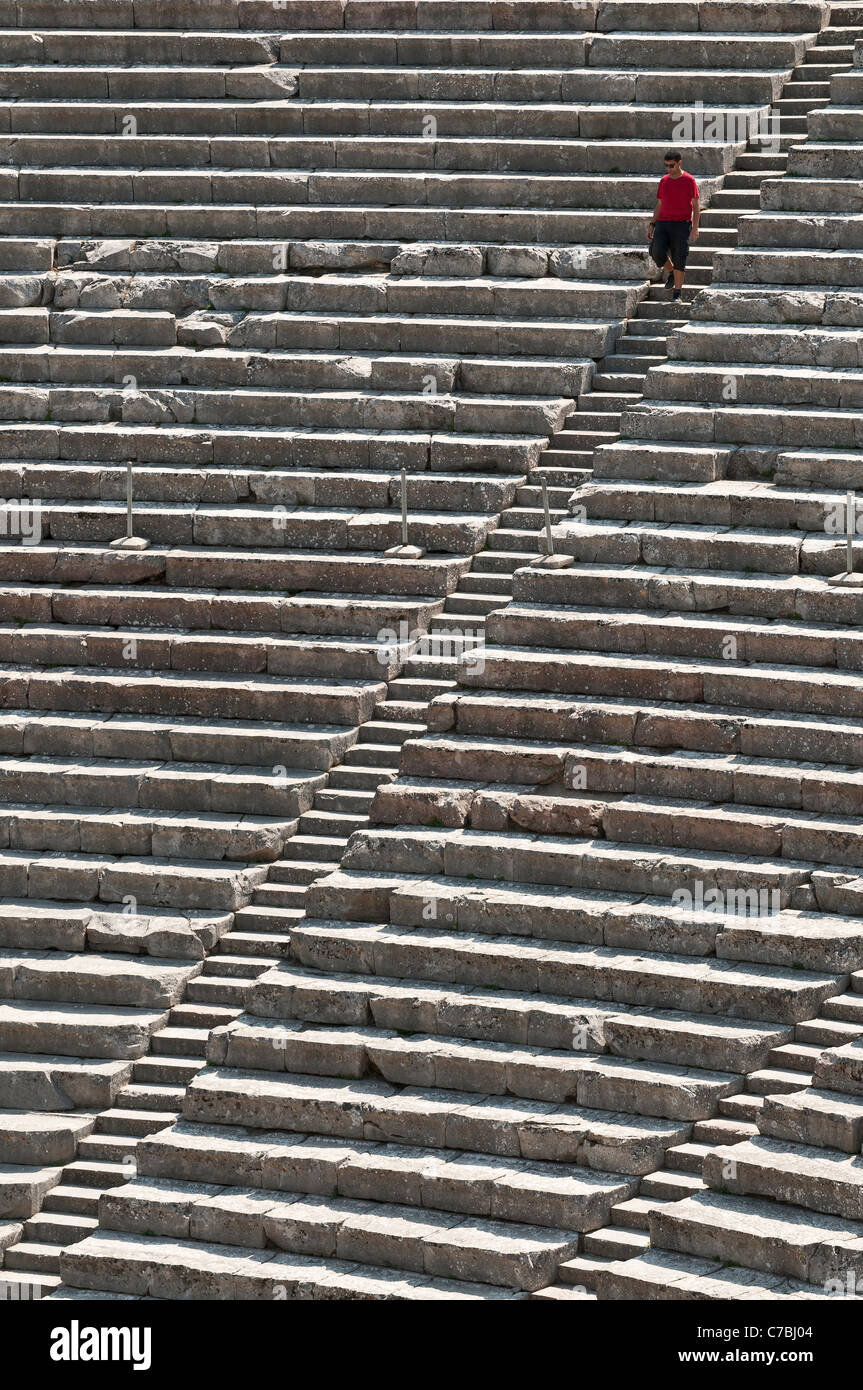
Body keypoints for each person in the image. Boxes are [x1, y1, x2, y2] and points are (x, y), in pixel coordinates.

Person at [647, 151, 700, 301]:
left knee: (680, 257)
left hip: (681, 224)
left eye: (671, 165)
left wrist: (695, 227)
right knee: (656, 251)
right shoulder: (664, 180)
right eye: (666, 165)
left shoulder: (689, 180)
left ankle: (677, 293)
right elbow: (659, 204)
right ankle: (671, 271)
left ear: (679, 163)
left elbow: (696, 206)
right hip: (663, 223)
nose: (668, 168)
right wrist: (652, 223)